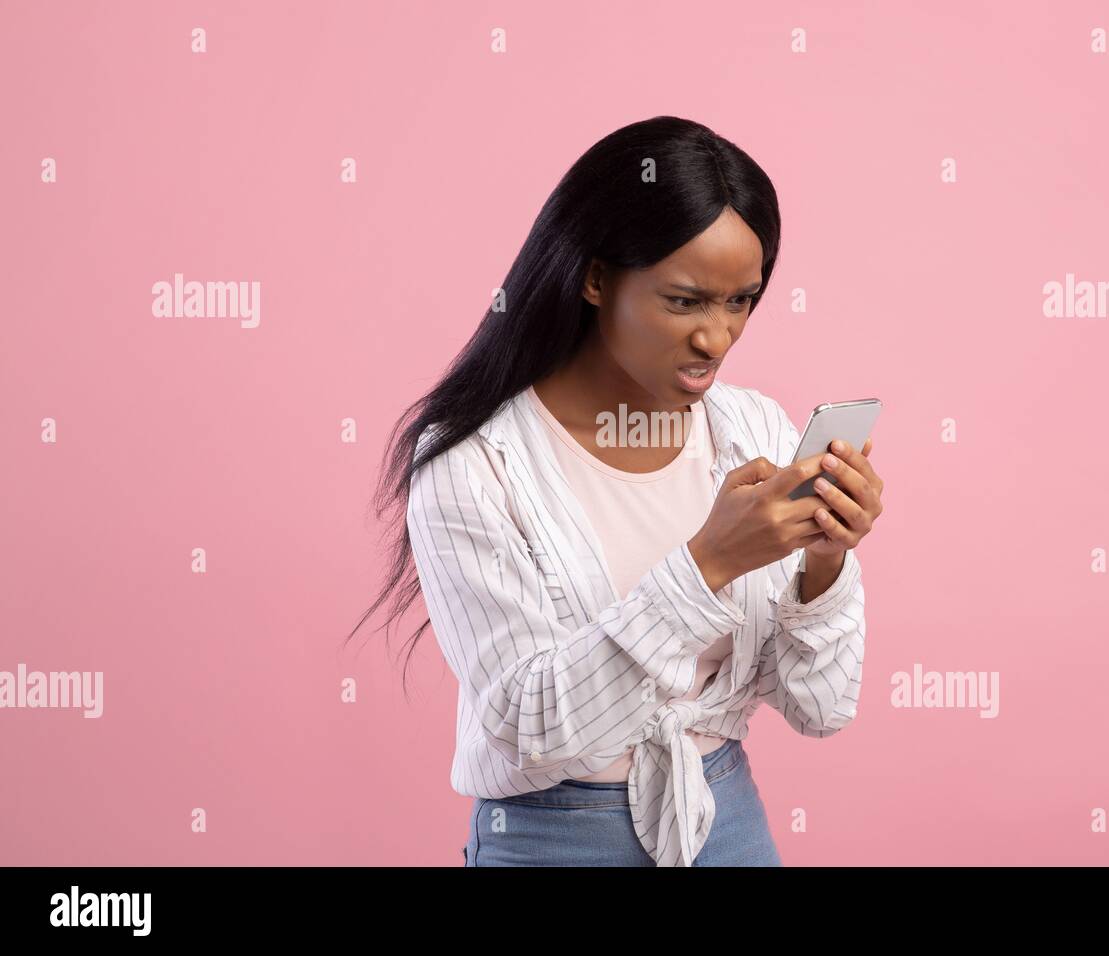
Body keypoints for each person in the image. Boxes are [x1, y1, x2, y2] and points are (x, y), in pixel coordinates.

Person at [349, 115, 884, 866]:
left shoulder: (751, 429)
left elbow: (822, 710)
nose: (718, 338)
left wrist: (823, 566)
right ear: (596, 278)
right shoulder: (474, 466)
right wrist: (706, 566)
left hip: (727, 826)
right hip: (552, 841)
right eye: (686, 300)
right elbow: (526, 726)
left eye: (741, 302)